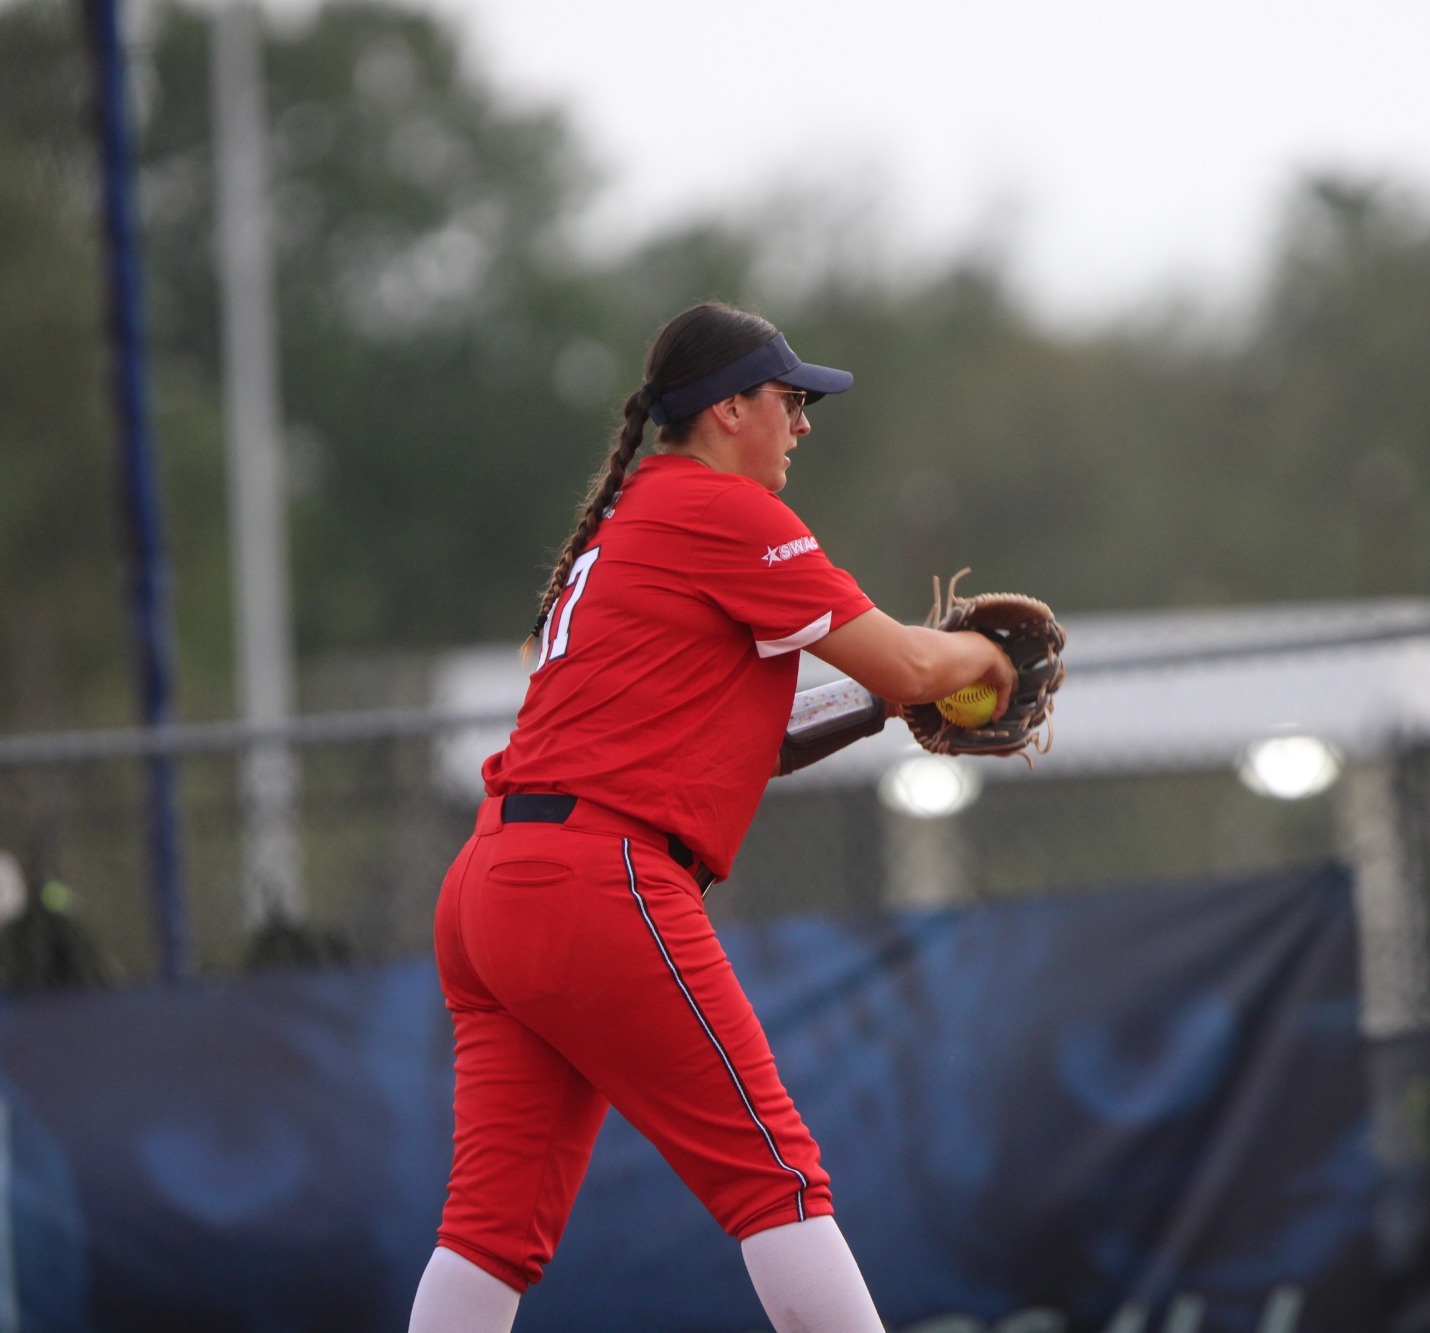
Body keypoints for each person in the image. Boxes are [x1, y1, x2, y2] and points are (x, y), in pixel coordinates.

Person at [408, 302, 1015, 1333]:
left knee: (486, 1232)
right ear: (727, 409)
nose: (803, 422)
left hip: (493, 884)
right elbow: (913, 660)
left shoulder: (637, 517)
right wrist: (982, 663)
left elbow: (749, 742)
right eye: (789, 399)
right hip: (593, 882)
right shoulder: (722, 511)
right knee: (774, 1176)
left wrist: (882, 700)